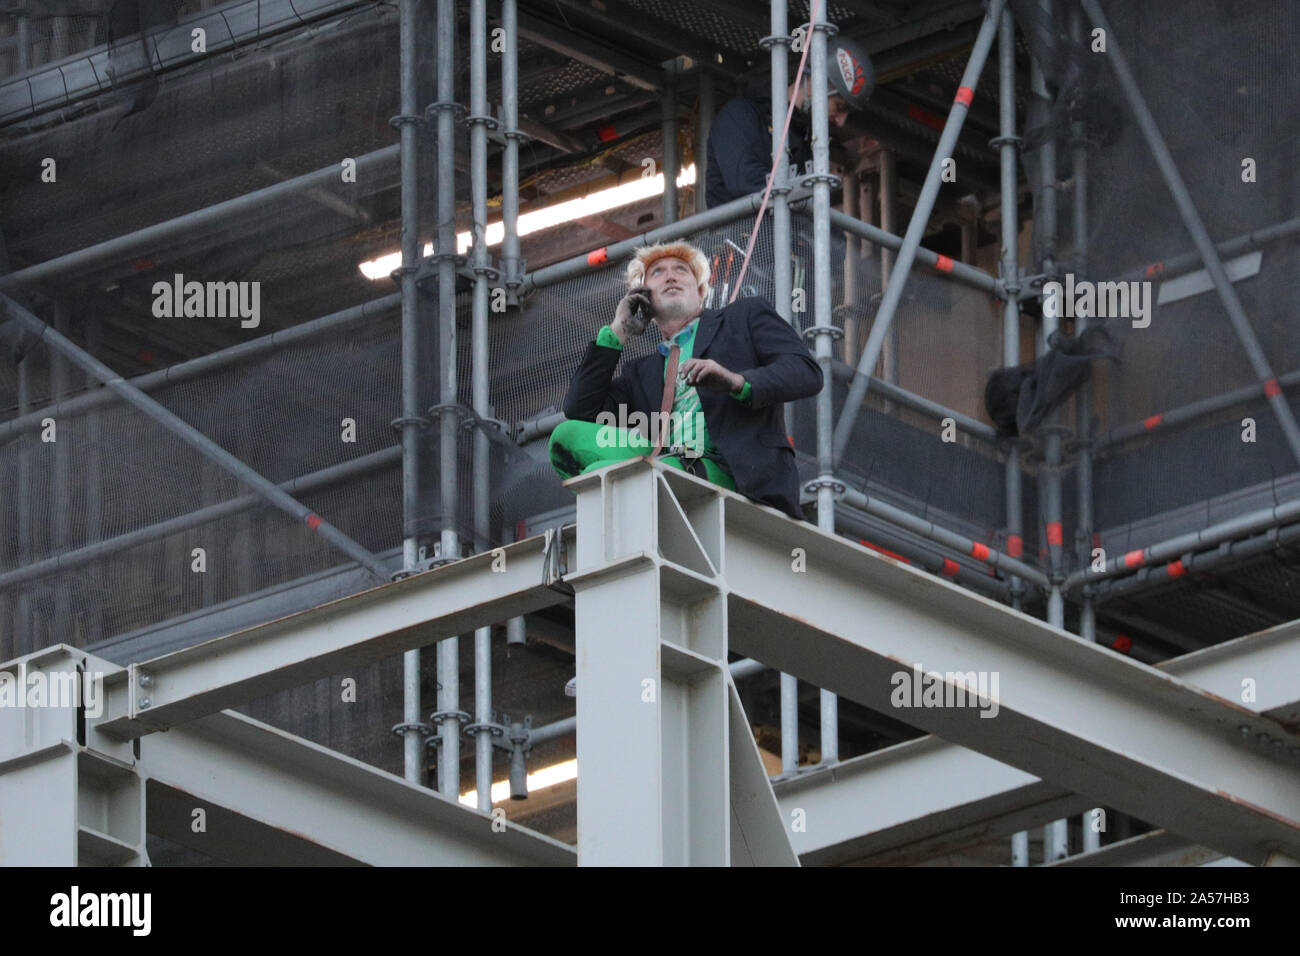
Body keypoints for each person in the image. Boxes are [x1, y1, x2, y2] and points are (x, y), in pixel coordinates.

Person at [548, 240, 823, 521]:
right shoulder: (641, 372)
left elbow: (805, 371)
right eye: (657, 273)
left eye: (681, 269)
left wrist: (737, 382)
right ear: (643, 297)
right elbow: (581, 410)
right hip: (665, 460)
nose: (670, 275)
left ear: (700, 290)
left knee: (621, 478)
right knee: (565, 437)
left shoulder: (743, 317)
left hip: (733, 470)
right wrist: (618, 330)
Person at [705, 73, 850, 208]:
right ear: (814, 85)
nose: (841, 122)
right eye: (839, 106)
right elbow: (745, 181)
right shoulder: (739, 115)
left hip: (786, 231)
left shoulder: (806, 139)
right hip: (739, 232)